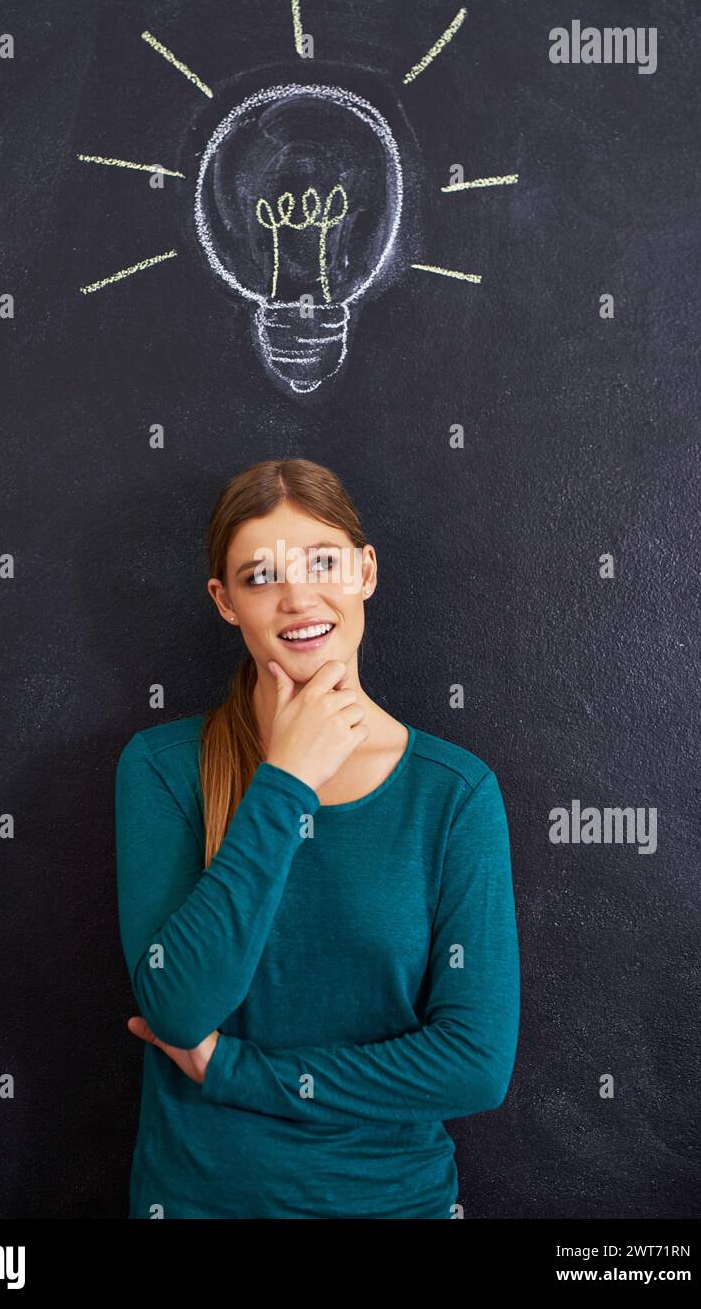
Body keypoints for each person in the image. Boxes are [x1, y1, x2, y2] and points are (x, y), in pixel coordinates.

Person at [115, 457, 520, 1218]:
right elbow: (175, 1006)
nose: (298, 596)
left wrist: (234, 1070)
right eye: (259, 574)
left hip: (393, 1204)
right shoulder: (162, 770)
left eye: (323, 561)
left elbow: (473, 1065)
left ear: (365, 571)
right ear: (225, 602)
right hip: (202, 1202)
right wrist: (286, 781)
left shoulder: (453, 792)